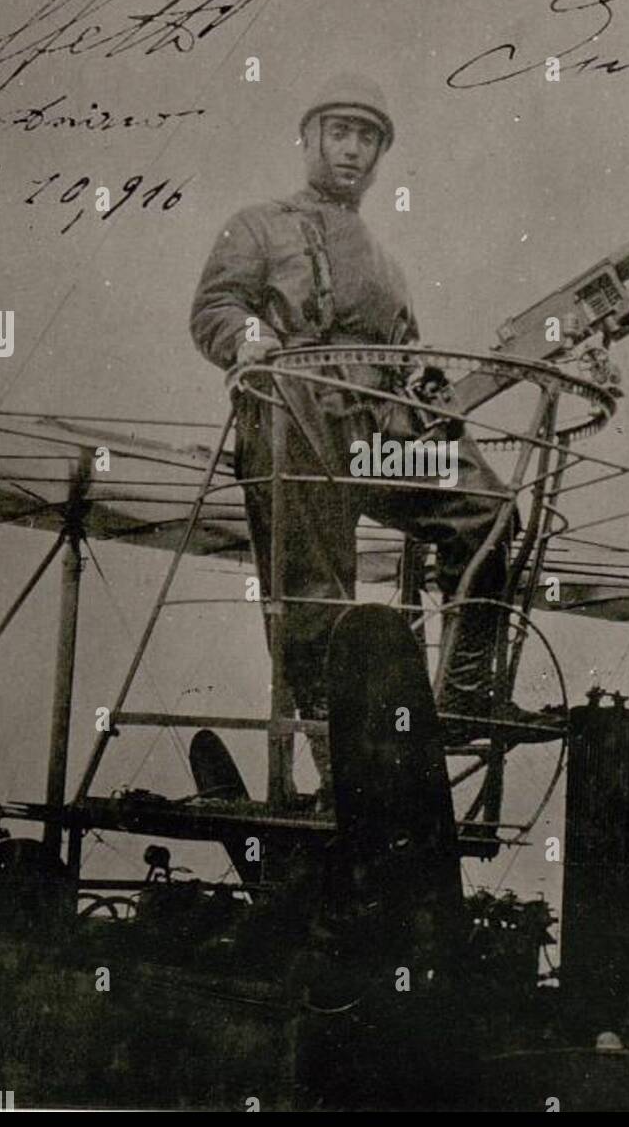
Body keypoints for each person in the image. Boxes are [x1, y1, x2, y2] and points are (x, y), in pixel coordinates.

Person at [190, 75, 519, 800]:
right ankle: (347, 773)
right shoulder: (257, 225)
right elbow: (216, 306)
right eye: (338, 132)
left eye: (366, 137)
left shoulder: (384, 261)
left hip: (377, 425)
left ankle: (463, 692)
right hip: (295, 414)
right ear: (308, 139)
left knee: (487, 512)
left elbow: (407, 351)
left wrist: (435, 392)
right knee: (313, 594)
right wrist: (250, 338)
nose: (352, 149)